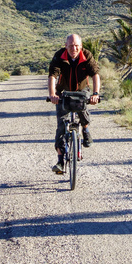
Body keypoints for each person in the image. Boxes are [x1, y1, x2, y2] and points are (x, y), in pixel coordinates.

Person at [47, 33, 101, 174]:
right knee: (61, 126)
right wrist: (52, 94)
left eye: (77, 45)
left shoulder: (86, 55)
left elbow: (95, 74)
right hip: (63, 93)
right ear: (66, 46)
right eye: (71, 46)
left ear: (81, 46)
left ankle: (86, 130)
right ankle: (60, 161)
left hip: (81, 91)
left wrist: (95, 94)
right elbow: (52, 76)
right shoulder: (59, 55)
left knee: (82, 112)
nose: (74, 48)